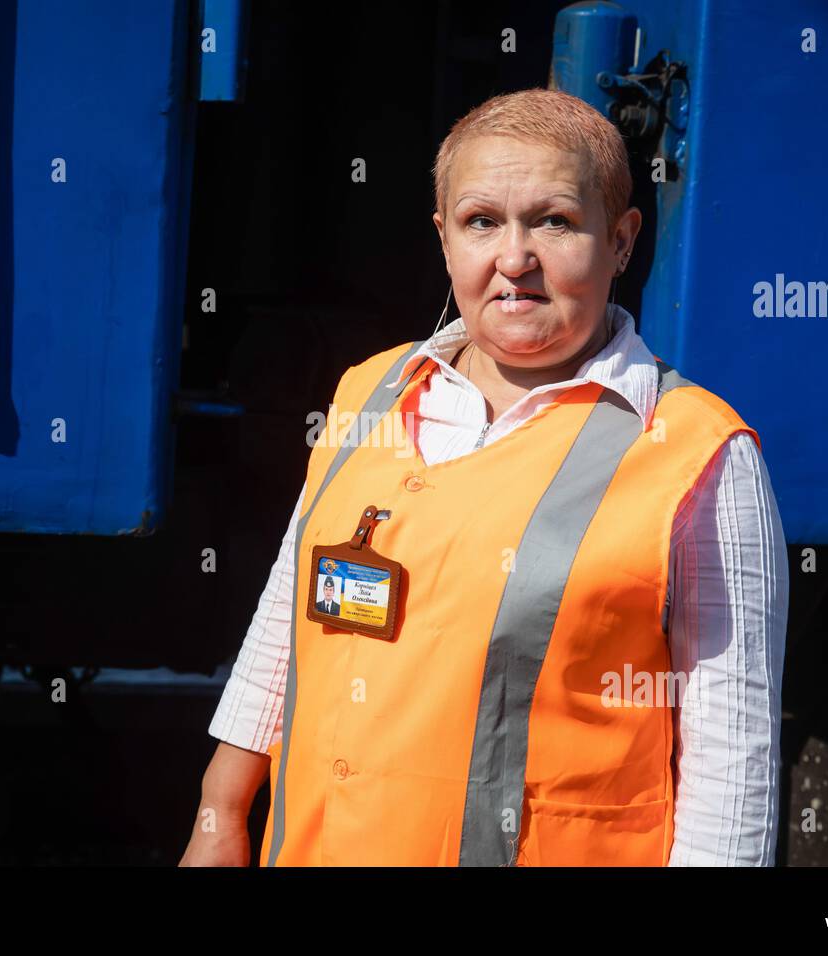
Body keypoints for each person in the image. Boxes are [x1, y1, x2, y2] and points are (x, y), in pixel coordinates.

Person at [180, 87, 788, 867]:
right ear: (444, 240)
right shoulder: (370, 391)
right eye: (481, 222)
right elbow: (287, 611)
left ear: (624, 241)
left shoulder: (700, 452)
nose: (513, 260)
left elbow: (732, 753)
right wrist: (221, 807)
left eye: (555, 222)